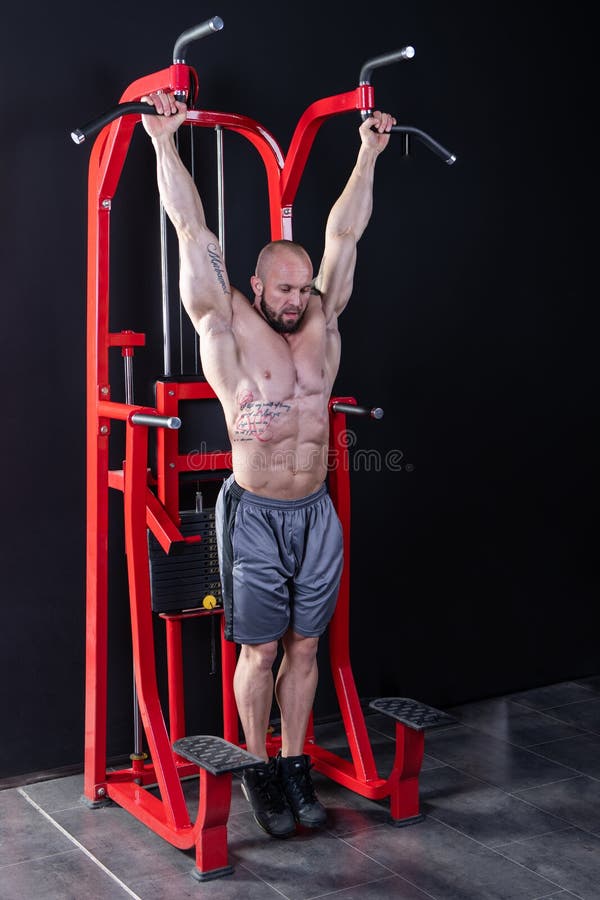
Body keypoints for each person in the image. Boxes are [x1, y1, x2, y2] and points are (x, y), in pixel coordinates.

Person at [142, 91, 395, 838]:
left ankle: (294, 766)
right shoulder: (225, 321)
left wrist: (370, 152)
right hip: (253, 515)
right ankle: (255, 769)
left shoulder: (324, 315)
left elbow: (346, 233)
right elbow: (191, 228)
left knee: (307, 646)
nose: (296, 299)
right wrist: (163, 143)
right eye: (284, 288)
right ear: (256, 285)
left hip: (316, 512)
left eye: (302, 286)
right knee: (258, 649)